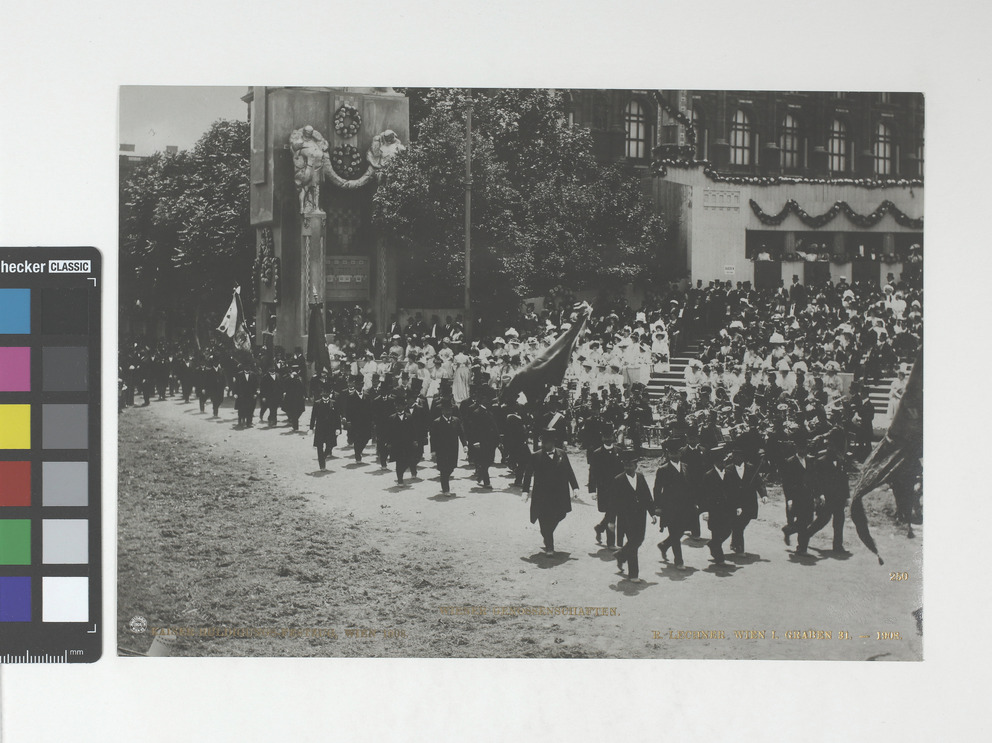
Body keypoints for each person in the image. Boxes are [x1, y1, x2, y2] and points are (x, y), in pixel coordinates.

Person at [522, 429, 580, 556]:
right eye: (543, 442)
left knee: (561, 514)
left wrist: (575, 487)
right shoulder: (535, 456)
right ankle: (549, 546)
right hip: (542, 495)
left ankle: (547, 533)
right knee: (543, 518)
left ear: (553, 442)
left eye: (547, 442)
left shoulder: (562, 454)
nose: (544, 445)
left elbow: (569, 471)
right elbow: (528, 474)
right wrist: (525, 491)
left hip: (559, 494)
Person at [797, 428, 850, 555]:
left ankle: (838, 546)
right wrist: (819, 495)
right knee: (822, 520)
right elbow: (815, 481)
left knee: (839, 520)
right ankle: (804, 539)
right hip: (827, 496)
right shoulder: (821, 462)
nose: (833, 449)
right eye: (831, 447)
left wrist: (846, 496)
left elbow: (844, 480)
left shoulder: (841, 460)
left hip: (839, 496)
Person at [612, 450, 656, 583]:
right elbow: (613, 502)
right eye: (626, 465)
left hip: (641, 516)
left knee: (639, 539)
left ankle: (621, 554)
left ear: (636, 465)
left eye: (630, 465)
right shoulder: (618, 479)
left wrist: (653, 513)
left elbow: (647, 496)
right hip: (626, 517)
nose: (628, 468)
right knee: (632, 542)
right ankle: (633, 574)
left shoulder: (640, 477)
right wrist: (611, 520)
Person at [653, 437, 694, 570]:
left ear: (680, 453)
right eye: (671, 453)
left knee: (680, 532)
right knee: (675, 534)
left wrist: (693, 502)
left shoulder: (686, 467)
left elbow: (690, 486)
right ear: (668, 454)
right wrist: (657, 506)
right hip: (669, 507)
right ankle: (679, 561)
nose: (674, 455)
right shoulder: (663, 469)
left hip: (684, 507)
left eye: (676, 453)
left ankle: (664, 545)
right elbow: (657, 489)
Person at [728, 441, 767, 556]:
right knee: (738, 525)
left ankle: (735, 541)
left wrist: (763, 495)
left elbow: (759, 483)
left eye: (739, 455)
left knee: (742, 523)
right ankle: (739, 548)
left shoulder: (751, 468)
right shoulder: (728, 469)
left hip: (749, 502)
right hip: (735, 502)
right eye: (735, 455)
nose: (737, 457)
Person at [701, 444, 737, 566]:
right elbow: (704, 495)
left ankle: (713, 544)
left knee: (727, 530)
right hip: (714, 510)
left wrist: (737, 506)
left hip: (727, 509)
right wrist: (705, 511)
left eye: (724, 461)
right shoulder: (708, 475)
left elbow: (734, 492)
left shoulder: (730, 473)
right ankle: (719, 557)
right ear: (715, 462)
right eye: (720, 461)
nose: (723, 463)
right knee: (716, 532)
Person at [588, 431, 623, 549]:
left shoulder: (619, 451)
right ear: (602, 438)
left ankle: (600, 528)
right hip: (604, 489)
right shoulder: (597, 453)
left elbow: (623, 470)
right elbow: (592, 472)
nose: (608, 439)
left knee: (612, 512)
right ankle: (611, 542)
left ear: (613, 437)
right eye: (605, 437)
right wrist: (592, 490)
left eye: (610, 436)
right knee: (612, 514)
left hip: (618, 488)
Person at [780, 437, 816, 547]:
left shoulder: (810, 460)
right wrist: (789, 499)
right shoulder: (790, 462)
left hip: (809, 496)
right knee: (803, 521)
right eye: (801, 448)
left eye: (805, 448)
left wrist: (817, 494)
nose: (803, 450)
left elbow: (814, 478)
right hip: (797, 497)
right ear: (796, 448)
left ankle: (788, 530)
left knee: (808, 520)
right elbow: (786, 483)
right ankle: (802, 548)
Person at [430, 398, 464, 494]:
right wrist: (433, 450)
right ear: (442, 411)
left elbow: (461, 434)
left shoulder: (456, 420)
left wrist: (465, 445)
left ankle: (445, 482)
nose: (448, 412)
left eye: (450, 410)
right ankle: (445, 489)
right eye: (446, 410)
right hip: (441, 450)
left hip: (453, 449)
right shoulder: (437, 422)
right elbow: (433, 438)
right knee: (443, 469)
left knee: (451, 467)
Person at [343, 375, 373, 463]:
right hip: (355, 421)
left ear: (363, 384)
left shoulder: (367, 395)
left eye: (360, 384)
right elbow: (348, 410)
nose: (358, 386)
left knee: (366, 438)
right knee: (357, 439)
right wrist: (348, 420)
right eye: (356, 384)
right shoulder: (351, 396)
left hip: (365, 421)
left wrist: (372, 420)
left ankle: (359, 450)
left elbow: (370, 409)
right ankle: (357, 455)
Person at [308, 390, 339, 470]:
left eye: (327, 393)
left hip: (330, 428)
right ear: (321, 394)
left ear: (329, 394)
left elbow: (337, 417)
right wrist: (311, 428)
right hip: (320, 428)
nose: (325, 394)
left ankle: (323, 456)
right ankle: (322, 465)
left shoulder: (333, 403)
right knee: (319, 446)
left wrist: (338, 428)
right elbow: (313, 417)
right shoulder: (317, 403)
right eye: (324, 393)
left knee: (330, 445)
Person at [233, 363, 258, 427]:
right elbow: (236, 385)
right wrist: (235, 393)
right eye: (246, 367)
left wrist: (255, 393)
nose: (247, 368)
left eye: (249, 367)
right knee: (241, 408)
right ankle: (241, 421)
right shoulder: (239, 374)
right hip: (241, 395)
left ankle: (249, 422)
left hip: (251, 395)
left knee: (250, 409)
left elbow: (256, 385)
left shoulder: (253, 375)